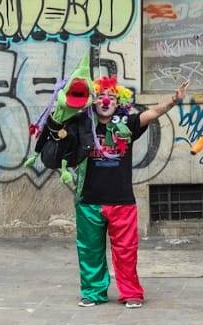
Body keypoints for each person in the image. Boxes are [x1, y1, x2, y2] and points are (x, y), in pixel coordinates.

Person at [43, 73, 188, 307]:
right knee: (90, 251)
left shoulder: (127, 124)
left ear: (118, 101)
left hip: (122, 201)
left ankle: (131, 293)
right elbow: (58, 126)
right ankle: (93, 293)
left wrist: (174, 100)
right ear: (93, 100)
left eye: (111, 97)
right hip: (89, 201)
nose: (105, 100)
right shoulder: (82, 125)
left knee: (126, 252)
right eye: (101, 96)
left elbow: (153, 113)